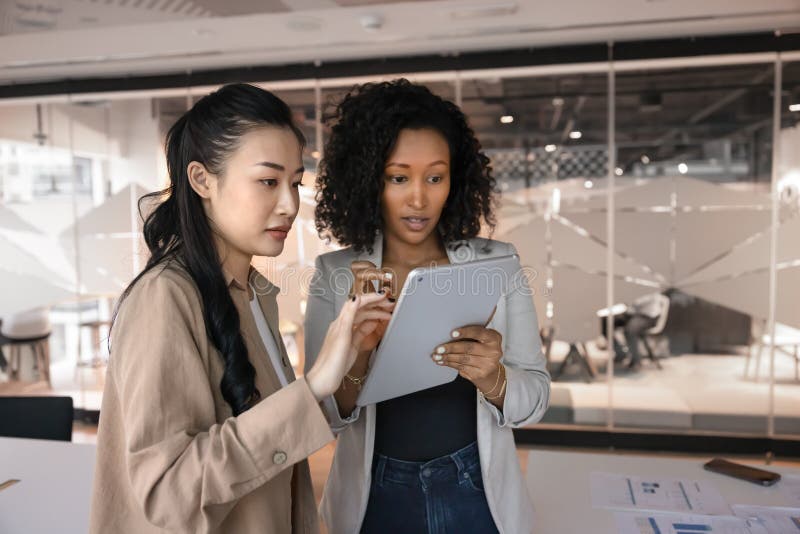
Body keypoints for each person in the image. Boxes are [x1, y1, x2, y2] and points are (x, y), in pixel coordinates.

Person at [89, 83, 393, 534]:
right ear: (201, 180)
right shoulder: (165, 298)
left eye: (294, 183)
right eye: (268, 181)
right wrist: (310, 388)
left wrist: (352, 358)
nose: (289, 205)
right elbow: (167, 491)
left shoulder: (251, 293)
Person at [304, 79, 551, 534]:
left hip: (475, 490)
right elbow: (321, 417)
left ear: (454, 180)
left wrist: (494, 378)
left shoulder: (497, 265)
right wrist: (358, 351)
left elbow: (535, 399)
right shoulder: (337, 275)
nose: (419, 199)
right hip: (376, 497)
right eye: (398, 178)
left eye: (435, 177)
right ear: (368, 180)